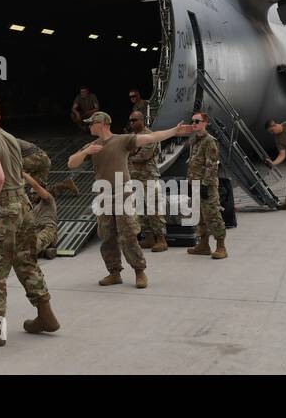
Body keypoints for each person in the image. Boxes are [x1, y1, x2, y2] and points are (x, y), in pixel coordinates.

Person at [0, 97, 58, 347]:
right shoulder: (9, 137)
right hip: (23, 206)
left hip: (4, 208)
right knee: (26, 262)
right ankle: (46, 315)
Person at [68, 111, 192, 288]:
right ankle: (114, 273)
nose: (89, 126)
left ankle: (139, 271)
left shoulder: (122, 140)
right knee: (107, 237)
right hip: (103, 196)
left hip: (122, 194)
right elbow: (71, 163)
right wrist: (85, 152)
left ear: (101, 123)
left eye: (91, 123)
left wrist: (174, 131)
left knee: (128, 236)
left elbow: (151, 138)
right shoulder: (93, 145)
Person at [187, 111, 228, 258]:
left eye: (197, 121)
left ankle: (221, 246)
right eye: (193, 121)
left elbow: (212, 166)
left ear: (205, 123)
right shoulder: (194, 140)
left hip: (207, 186)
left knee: (213, 215)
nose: (194, 124)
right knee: (199, 216)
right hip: (195, 183)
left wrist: (205, 184)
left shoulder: (210, 141)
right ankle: (203, 245)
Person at [127, 111, 167, 252]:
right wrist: (132, 152)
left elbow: (143, 155)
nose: (132, 123)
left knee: (154, 208)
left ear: (142, 120)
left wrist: (129, 155)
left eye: (135, 120)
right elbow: (127, 151)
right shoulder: (131, 138)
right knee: (140, 209)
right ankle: (149, 238)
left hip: (149, 177)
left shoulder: (150, 136)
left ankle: (161, 239)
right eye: (130, 120)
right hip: (135, 178)